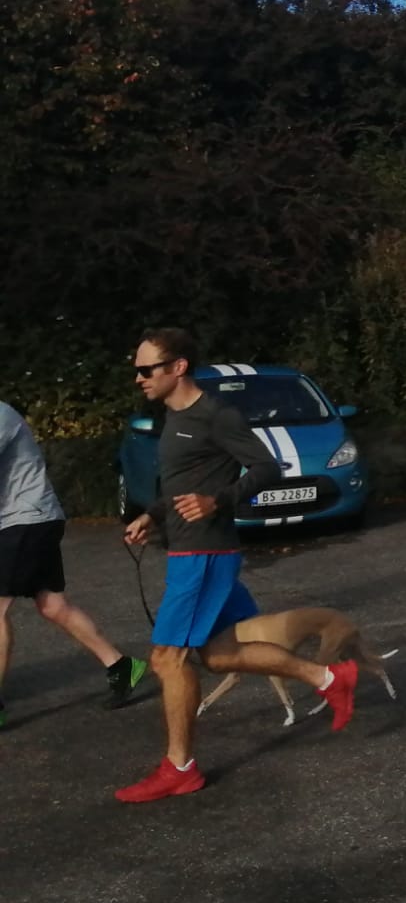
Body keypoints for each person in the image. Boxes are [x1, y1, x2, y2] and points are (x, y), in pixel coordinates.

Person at [116, 328, 358, 802]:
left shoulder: (215, 415)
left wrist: (218, 501)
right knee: (218, 654)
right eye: (137, 371)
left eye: (147, 370)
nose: (139, 379)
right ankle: (329, 677)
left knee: (168, 659)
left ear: (178, 367)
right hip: (188, 548)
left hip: (205, 553)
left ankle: (180, 767)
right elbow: (180, 484)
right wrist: (153, 515)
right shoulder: (171, 417)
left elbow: (267, 469)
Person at [0, 401, 149, 729]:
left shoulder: (0, 415)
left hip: (25, 520)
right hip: (29, 520)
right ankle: (121, 666)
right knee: (52, 605)